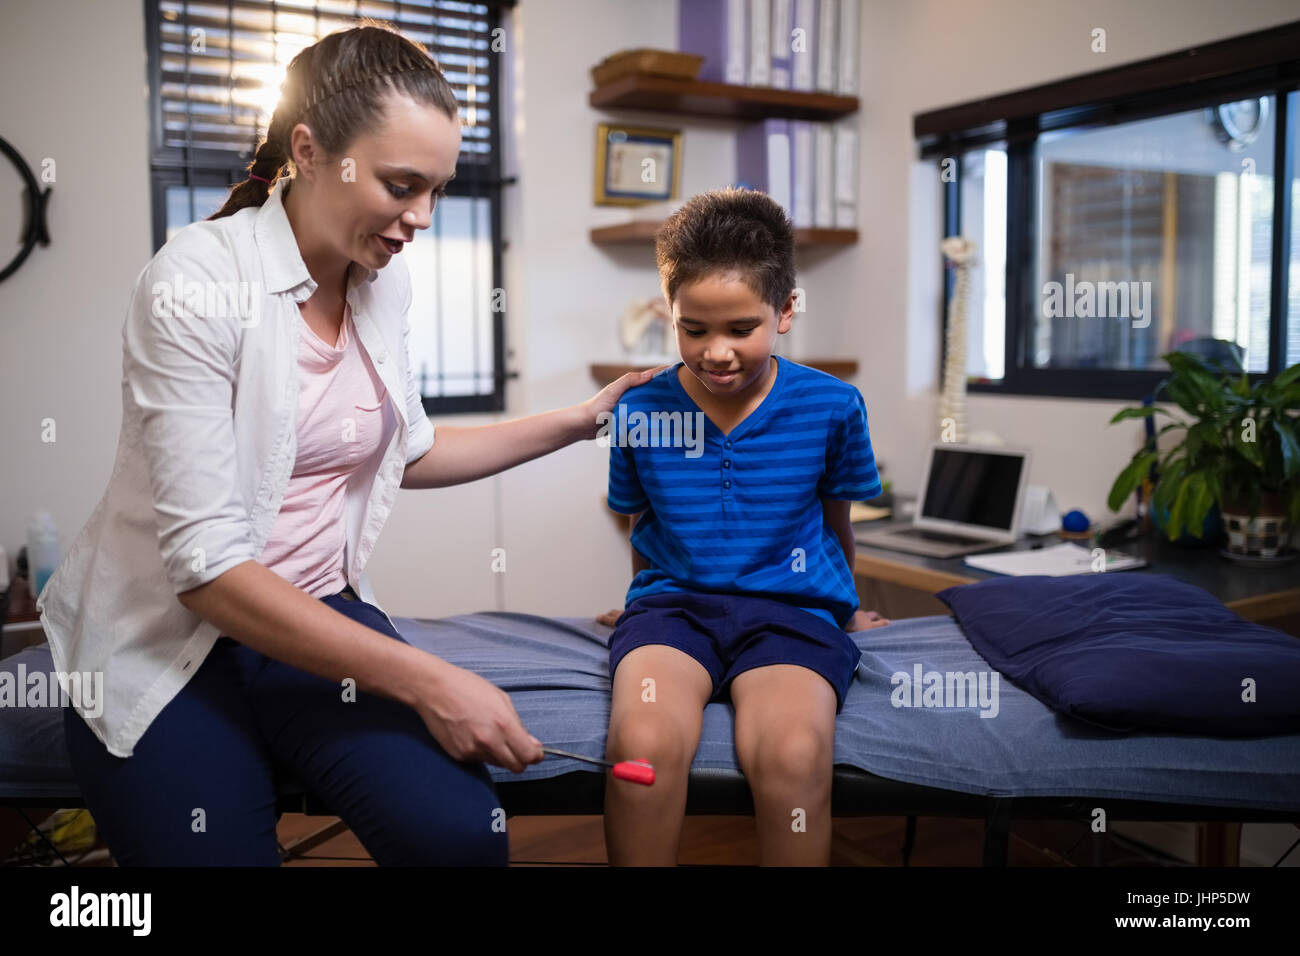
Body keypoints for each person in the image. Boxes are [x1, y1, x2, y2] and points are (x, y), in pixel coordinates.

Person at [37, 22, 658, 867]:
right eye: (404, 185)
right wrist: (431, 677)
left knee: (459, 840)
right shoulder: (196, 284)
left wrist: (582, 419)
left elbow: (407, 451)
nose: (423, 219)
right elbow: (208, 570)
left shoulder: (382, 284)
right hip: (169, 637)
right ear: (311, 148)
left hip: (317, 615)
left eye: (439, 190)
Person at [597, 187, 891, 866]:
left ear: (786, 311)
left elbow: (835, 524)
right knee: (641, 747)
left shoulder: (834, 405)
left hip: (792, 613)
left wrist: (844, 611)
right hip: (672, 609)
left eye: (739, 329)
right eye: (693, 329)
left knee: (794, 753)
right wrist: (639, 608)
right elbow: (643, 524)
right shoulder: (642, 408)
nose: (715, 351)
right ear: (670, 314)